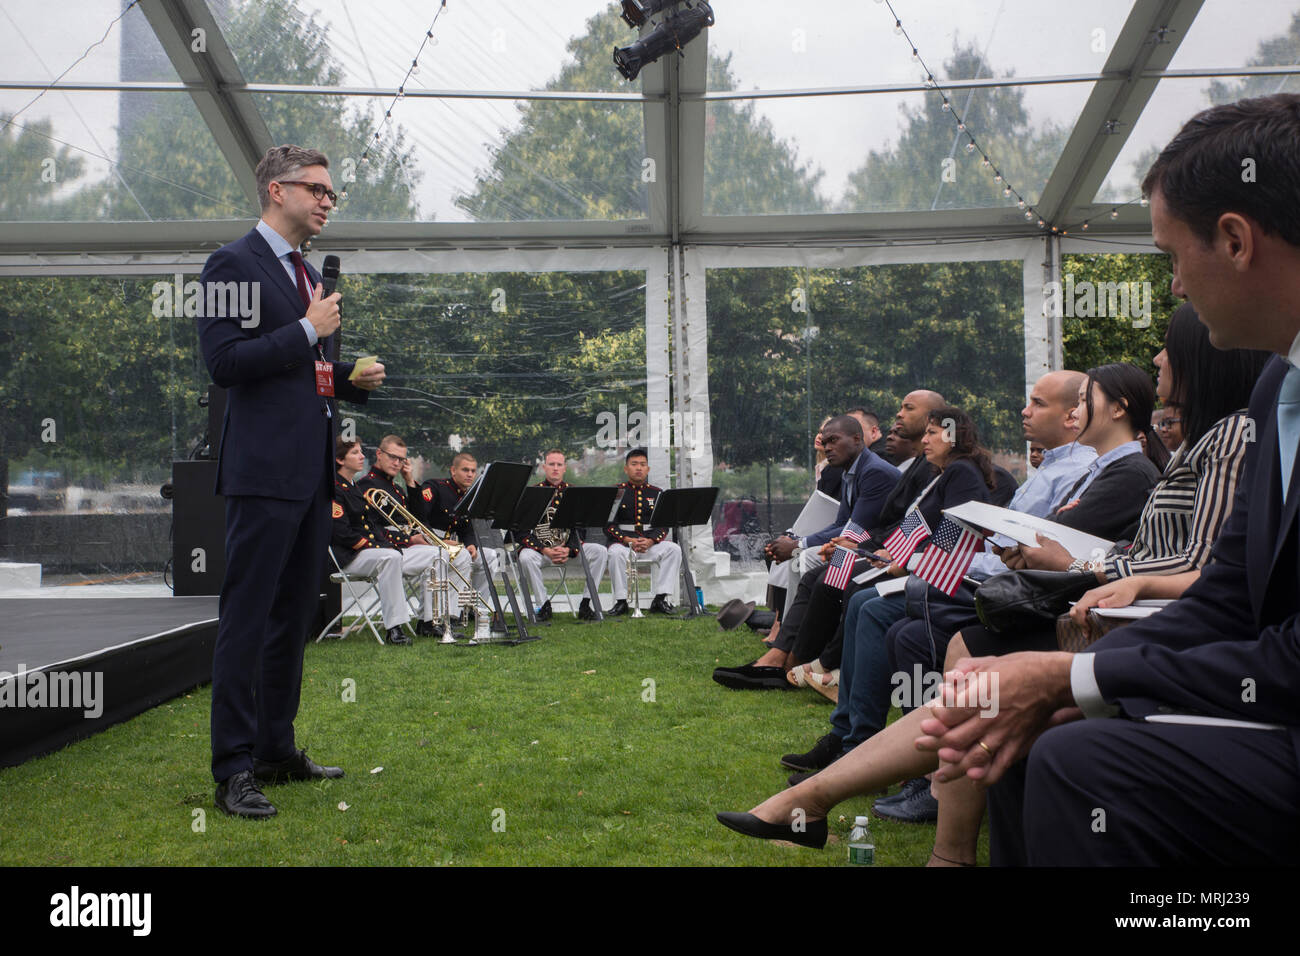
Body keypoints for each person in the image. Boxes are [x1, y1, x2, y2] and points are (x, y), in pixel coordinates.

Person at [918, 93, 1300, 866]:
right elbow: (1229, 593)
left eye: (1171, 258)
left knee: (1082, 760)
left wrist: (1075, 676)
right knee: (1051, 740)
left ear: (1234, 241)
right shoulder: (1276, 390)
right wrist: (1080, 684)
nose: (1176, 292)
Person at [197, 144, 385, 819]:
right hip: (262, 473)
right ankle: (233, 769)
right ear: (277, 191)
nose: (328, 200)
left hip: (311, 476)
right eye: (317, 189)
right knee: (247, 619)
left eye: (332, 192)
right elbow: (223, 362)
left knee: (294, 616)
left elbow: (311, 375)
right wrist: (309, 329)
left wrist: (351, 384)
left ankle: (276, 749)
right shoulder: (231, 264)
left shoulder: (309, 274)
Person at [331, 439, 446, 644]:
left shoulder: (354, 487)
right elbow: (342, 533)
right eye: (355, 453)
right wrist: (381, 545)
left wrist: (391, 543)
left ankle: (429, 621)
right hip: (351, 555)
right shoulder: (334, 489)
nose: (361, 456)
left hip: (376, 553)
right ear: (340, 459)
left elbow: (374, 527)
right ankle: (394, 629)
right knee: (390, 556)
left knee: (436, 555)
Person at [411, 452, 503, 631]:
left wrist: (471, 544)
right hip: (429, 543)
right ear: (453, 470)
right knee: (454, 558)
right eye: (465, 470)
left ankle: (473, 608)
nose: (470, 474)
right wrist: (438, 541)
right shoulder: (435, 487)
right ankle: (446, 616)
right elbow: (419, 518)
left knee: (489, 556)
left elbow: (467, 527)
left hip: (456, 546)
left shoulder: (469, 496)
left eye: (473, 471)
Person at [517, 449, 609, 621]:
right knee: (525, 557)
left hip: (568, 551)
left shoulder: (574, 492)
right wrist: (546, 550)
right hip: (542, 552)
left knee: (600, 551)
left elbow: (580, 529)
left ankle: (587, 604)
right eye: (551, 464)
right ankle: (543, 605)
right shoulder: (532, 493)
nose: (555, 468)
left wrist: (569, 549)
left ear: (565, 468)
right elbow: (521, 532)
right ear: (544, 467)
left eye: (559, 465)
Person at [605, 448, 681, 615]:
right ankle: (621, 601)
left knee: (674, 549)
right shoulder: (616, 492)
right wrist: (626, 540)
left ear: (648, 469)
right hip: (624, 544)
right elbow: (608, 525)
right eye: (634, 464)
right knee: (615, 553)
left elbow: (663, 524)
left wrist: (651, 541)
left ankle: (660, 599)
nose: (638, 468)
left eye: (642, 464)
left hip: (648, 544)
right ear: (626, 469)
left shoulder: (657, 493)